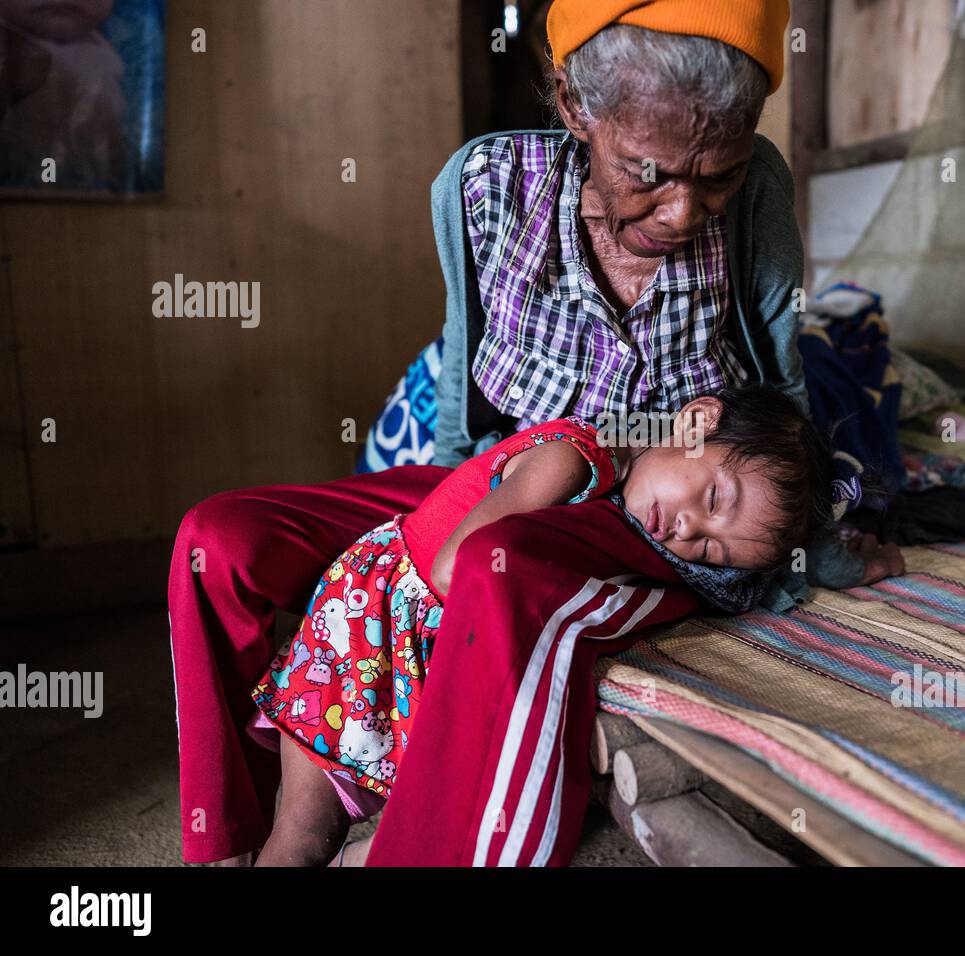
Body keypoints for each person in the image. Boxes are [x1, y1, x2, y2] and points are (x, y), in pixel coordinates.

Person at [168, 0, 904, 867]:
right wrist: (435, 507)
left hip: (636, 507)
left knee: (495, 561)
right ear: (572, 105)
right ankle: (230, 838)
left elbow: (779, 386)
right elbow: (461, 378)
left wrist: (809, 542)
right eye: (649, 171)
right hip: (513, 468)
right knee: (217, 540)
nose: (682, 213)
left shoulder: (761, 198)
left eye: (719, 176)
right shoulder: (482, 188)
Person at [250, 386, 834, 866]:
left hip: (415, 648)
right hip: (365, 630)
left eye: (710, 550)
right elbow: (461, 566)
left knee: (385, 832)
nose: (685, 531)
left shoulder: (618, 502)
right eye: (712, 498)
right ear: (693, 422)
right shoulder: (573, 456)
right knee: (302, 835)